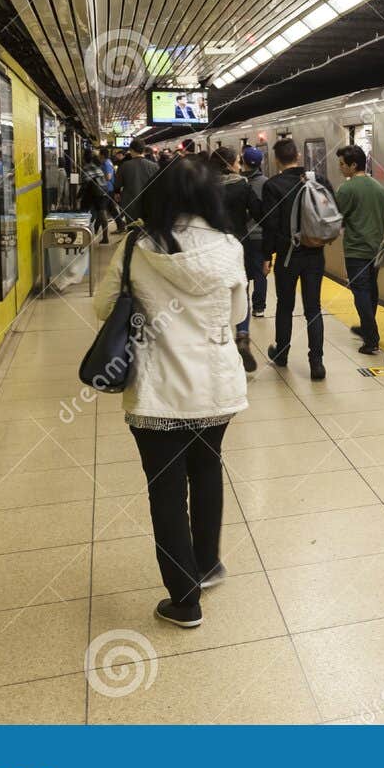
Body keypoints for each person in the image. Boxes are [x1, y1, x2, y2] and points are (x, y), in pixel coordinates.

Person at [93, 156, 248, 629]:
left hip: (158, 391)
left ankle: (185, 599)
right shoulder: (228, 247)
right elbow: (238, 316)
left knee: (166, 489)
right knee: (206, 468)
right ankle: (206, 563)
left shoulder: (137, 246)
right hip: (215, 387)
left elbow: (103, 308)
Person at [261, 138, 327, 380]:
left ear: (277, 159)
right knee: (314, 309)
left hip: (288, 256)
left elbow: (270, 225)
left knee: (284, 305)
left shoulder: (273, 185)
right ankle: (317, 363)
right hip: (315, 255)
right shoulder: (317, 180)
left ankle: (282, 353)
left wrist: (267, 255)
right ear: (298, 156)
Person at [210, 146, 261, 372]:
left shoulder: (204, 186)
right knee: (242, 289)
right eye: (238, 162)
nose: (240, 166)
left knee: (212, 293)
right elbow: (260, 212)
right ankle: (242, 335)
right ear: (230, 163)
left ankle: (215, 340)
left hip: (210, 245)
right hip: (238, 244)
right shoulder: (242, 184)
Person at [335, 144, 384, 355]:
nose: (340, 168)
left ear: (353, 165)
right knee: (371, 291)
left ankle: (371, 337)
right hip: (376, 249)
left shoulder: (346, 189)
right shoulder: (380, 188)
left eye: (342, 164)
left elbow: (338, 216)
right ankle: (368, 329)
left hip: (356, 250)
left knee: (361, 293)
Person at [240, 146, 268, 317]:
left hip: (242, 235)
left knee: (242, 272)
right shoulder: (266, 182)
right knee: (260, 274)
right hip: (261, 236)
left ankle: (244, 307)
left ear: (243, 162)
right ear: (260, 163)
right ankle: (259, 308)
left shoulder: (238, 182)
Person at [117, 139, 157, 224]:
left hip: (130, 204)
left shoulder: (124, 165)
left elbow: (118, 184)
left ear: (131, 150)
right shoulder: (154, 166)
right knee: (146, 230)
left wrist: (117, 193)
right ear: (143, 150)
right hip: (148, 204)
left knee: (132, 229)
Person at [80, 152, 114, 243]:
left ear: (84, 159)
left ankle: (84, 235)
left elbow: (84, 184)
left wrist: (79, 196)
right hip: (103, 193)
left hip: (92, 193)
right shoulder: (98, 168)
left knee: (84, 211)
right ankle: (105, 237)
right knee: (102, 214)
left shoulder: (86, 168)